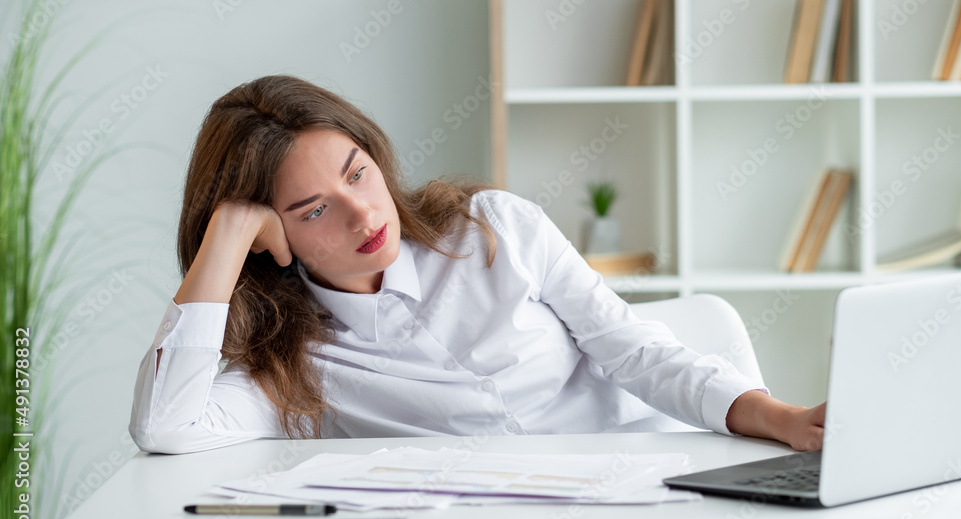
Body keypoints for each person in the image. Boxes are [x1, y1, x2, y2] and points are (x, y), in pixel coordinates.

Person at [129, 75, 825, 455]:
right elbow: (165, 426)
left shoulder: (494, 228)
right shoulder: (296, 372)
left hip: (652, 480)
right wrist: (223, 237)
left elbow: (634, 348)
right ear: (268, 237)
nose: (365, 216)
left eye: (359, 173)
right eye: (313, 210)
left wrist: (775, 415)